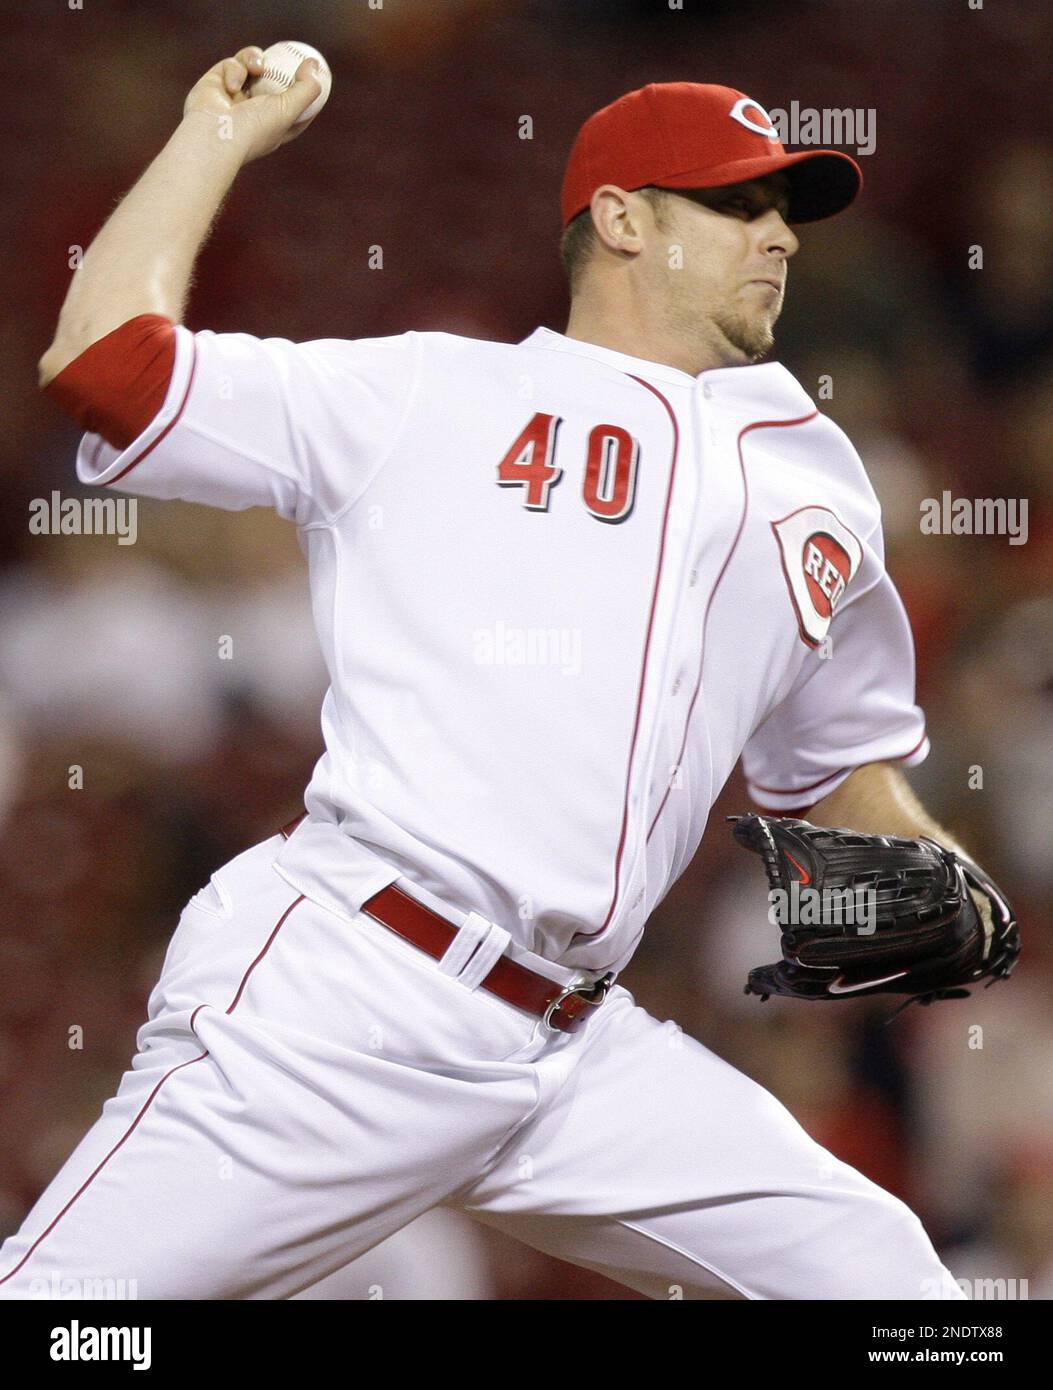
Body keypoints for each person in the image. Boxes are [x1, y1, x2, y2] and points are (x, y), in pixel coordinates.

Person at [2, 51, 974, 1299]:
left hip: (574, 1048)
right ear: (621, 218)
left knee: (895, 1285)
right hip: (357, 995)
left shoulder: (818, 477)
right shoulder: (430, 390)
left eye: (787, 209)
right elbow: (108, 371)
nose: (778, 235)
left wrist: (946, 899)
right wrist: (212, 137)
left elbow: (835, 763)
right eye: (736, 204)